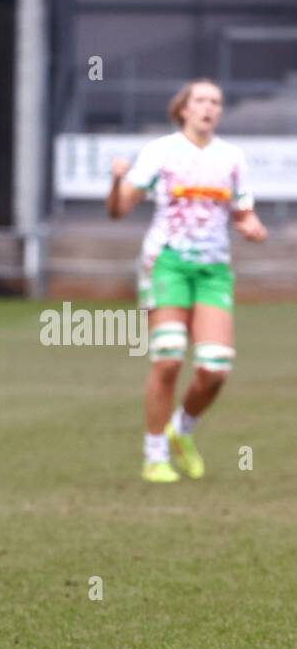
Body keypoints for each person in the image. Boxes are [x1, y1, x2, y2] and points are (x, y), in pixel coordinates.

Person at [107, 78, 266, 483]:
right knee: (170, 357)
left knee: (215, 369)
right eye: (201, 100)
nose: (209, 107)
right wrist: (115, 181)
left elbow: (243, 212)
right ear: (184, 109)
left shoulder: (232, 157)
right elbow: (119, 209)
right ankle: (154, 453)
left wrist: (252, 227)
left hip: (213, 269)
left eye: (216, 101)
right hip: (168, 263)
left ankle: (183, 428)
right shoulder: (160, 151)